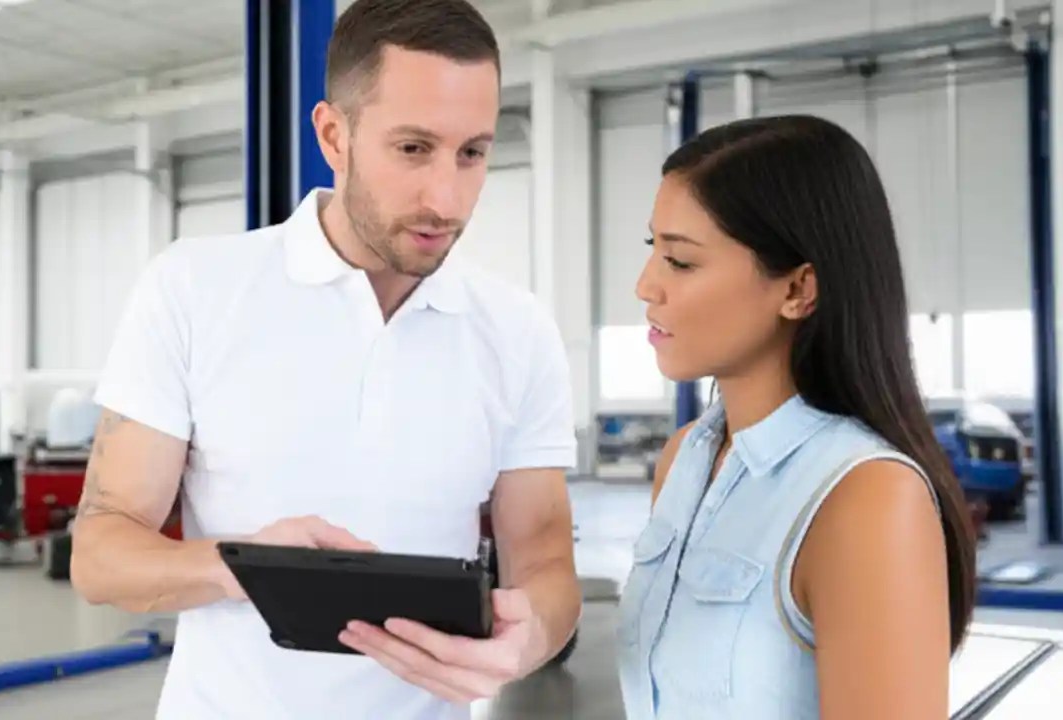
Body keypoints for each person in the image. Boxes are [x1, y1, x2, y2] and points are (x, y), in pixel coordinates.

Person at [68, 1, 582, 718]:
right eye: (412, 148)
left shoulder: (517, 331)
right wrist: (250, 566)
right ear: (334, 135)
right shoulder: (193, 289)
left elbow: (547, 563)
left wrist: (529, 642)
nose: (446, 197)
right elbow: (99, 554)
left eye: (472, 152)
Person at [618, 115, 977, 719]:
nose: (645, 286)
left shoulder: (867, 498)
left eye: (680, 262)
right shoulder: (686, 459)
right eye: (653, 248)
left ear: (797, 289)